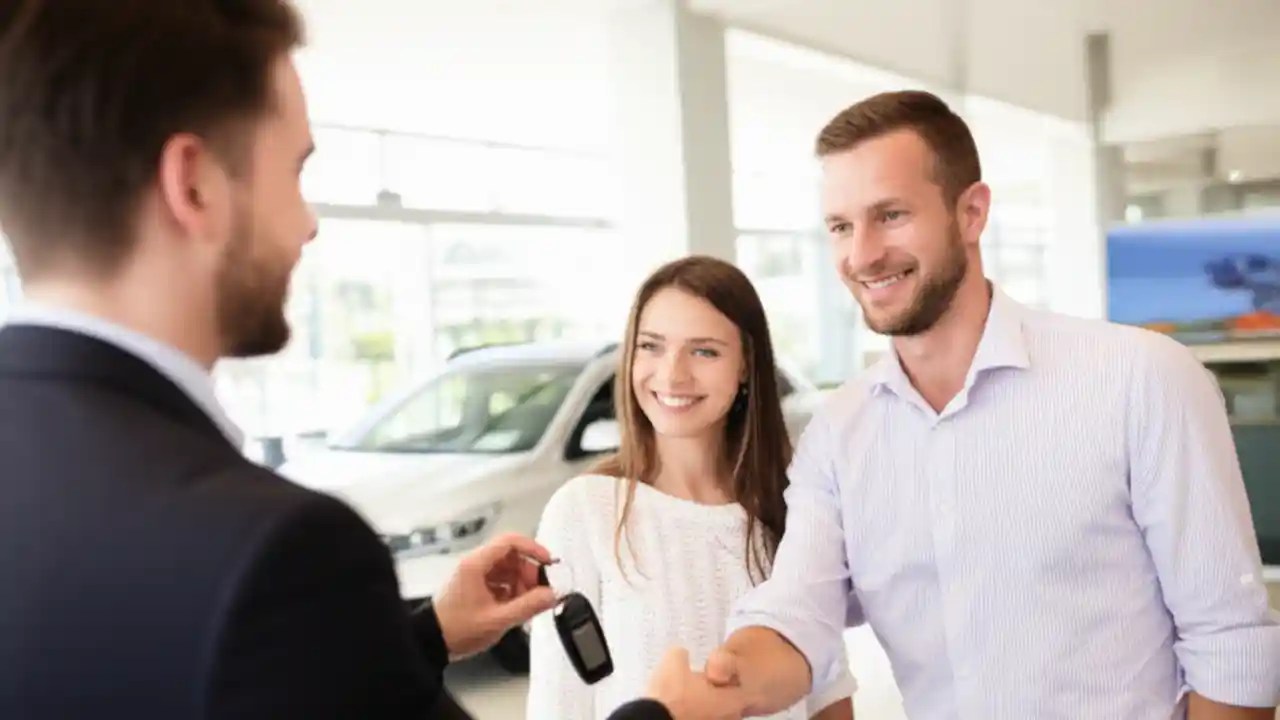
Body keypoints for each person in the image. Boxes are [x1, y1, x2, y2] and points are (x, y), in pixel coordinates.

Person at [0, 2, 718, 719]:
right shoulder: (285, 552)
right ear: (194, 185)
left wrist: (424, 636)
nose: (308, 224)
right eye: (294, 171)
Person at [688, 90, 1280, 719]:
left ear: (971, 213)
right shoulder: (838, 435)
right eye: (840, 226)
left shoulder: (1139, 378)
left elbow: (1230, 644)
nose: (861, 254)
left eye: (890, 215)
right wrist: (726, 681)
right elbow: (795, 615)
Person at [526, 256, 855, 720]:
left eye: (704, 351)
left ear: (745, 366)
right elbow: (556, 708)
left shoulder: (794, 510)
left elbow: (827, 692)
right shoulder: (584, 511)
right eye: (651, 346)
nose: (673, 374)